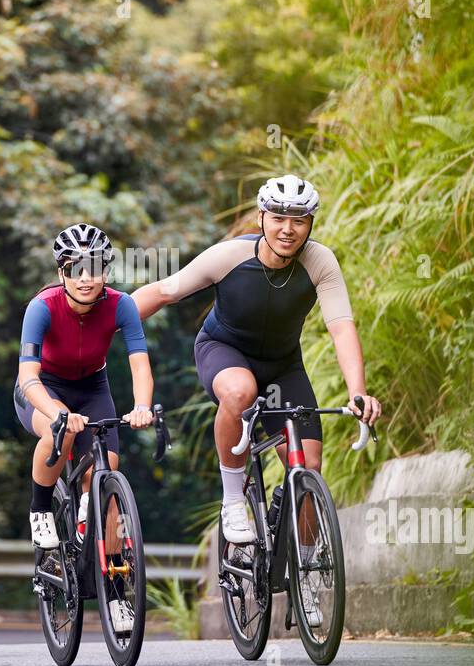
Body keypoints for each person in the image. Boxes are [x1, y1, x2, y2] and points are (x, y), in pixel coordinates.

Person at [131, 174, 382, 621]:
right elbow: (165, 291)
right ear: (262, 217)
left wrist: (357, 392)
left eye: (300, 220)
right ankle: (233, 500)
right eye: (280, 218)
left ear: (310, 225)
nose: (289, 229)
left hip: (283, 367)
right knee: (241, 392)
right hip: (223, 351)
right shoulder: (231, 256)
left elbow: (341, 325)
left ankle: (305, 572)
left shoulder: (320, 261)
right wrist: (107, 323)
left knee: (308, 468)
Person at [13, 224, 155, 585]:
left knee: (106, 471)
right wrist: (58, 412)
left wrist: (142, 406)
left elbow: (139, 363)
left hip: (93, 387)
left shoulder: (122, 305)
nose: (86, 278)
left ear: (106, 271)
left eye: (94, 268)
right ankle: (41, 511)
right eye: (75, 269)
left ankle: (115, 583)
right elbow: (28, 377)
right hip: (43, 388)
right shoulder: (41, 307)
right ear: (62, 272)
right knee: (57, 434)